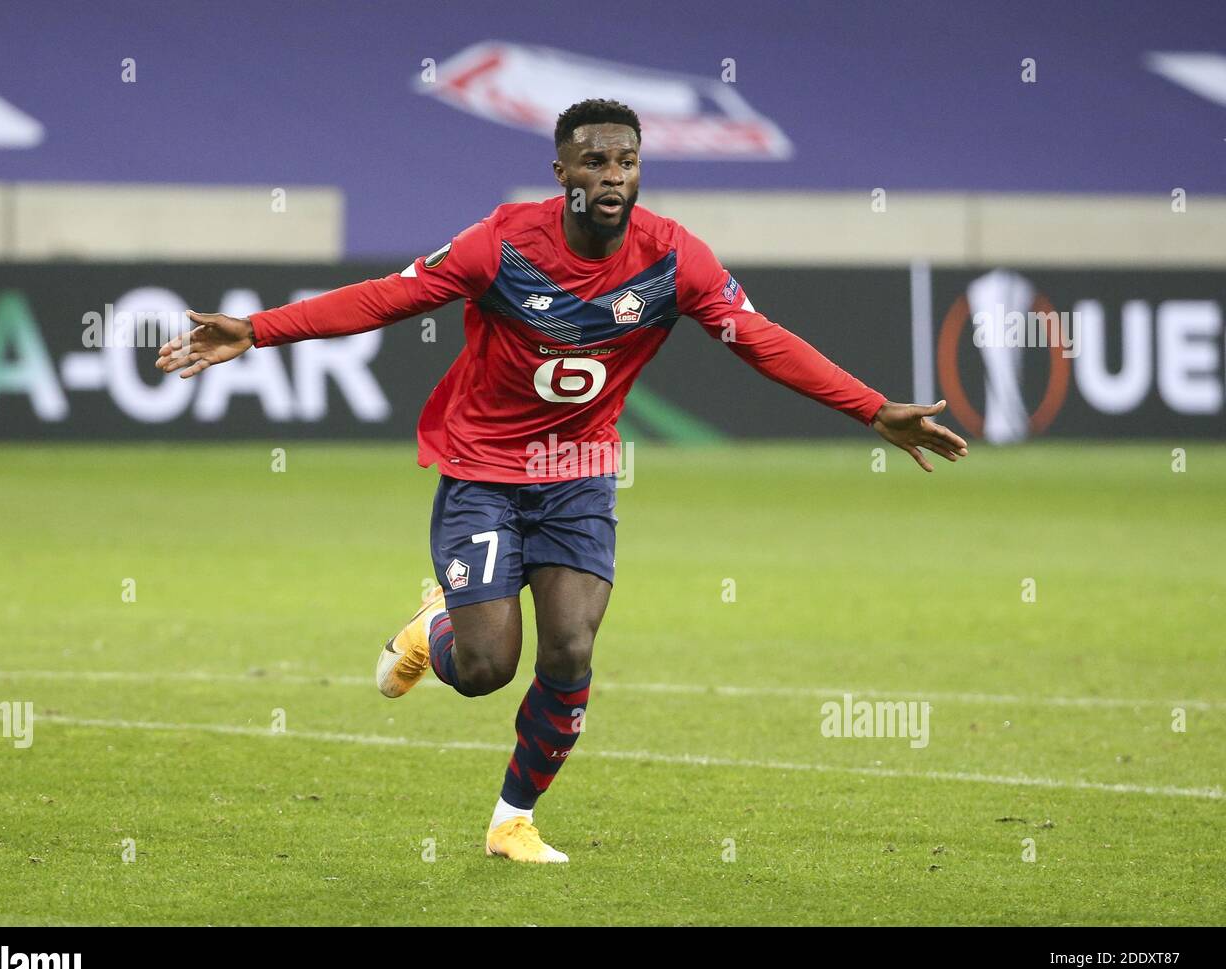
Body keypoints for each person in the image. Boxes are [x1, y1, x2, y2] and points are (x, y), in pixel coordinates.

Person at [155, 98, 968, 864]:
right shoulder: (500, 245)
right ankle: (428, 632)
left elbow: (759, 339)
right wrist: (258, 331)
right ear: (562, 173)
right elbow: (388, 299)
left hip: (577, 474)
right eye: (595, 161)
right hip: (481, 471)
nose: (614, 174)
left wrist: (871, 410)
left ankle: (513, 821)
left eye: (627, 160)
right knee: (484, 669)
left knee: (572, 647)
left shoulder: (675, 258)